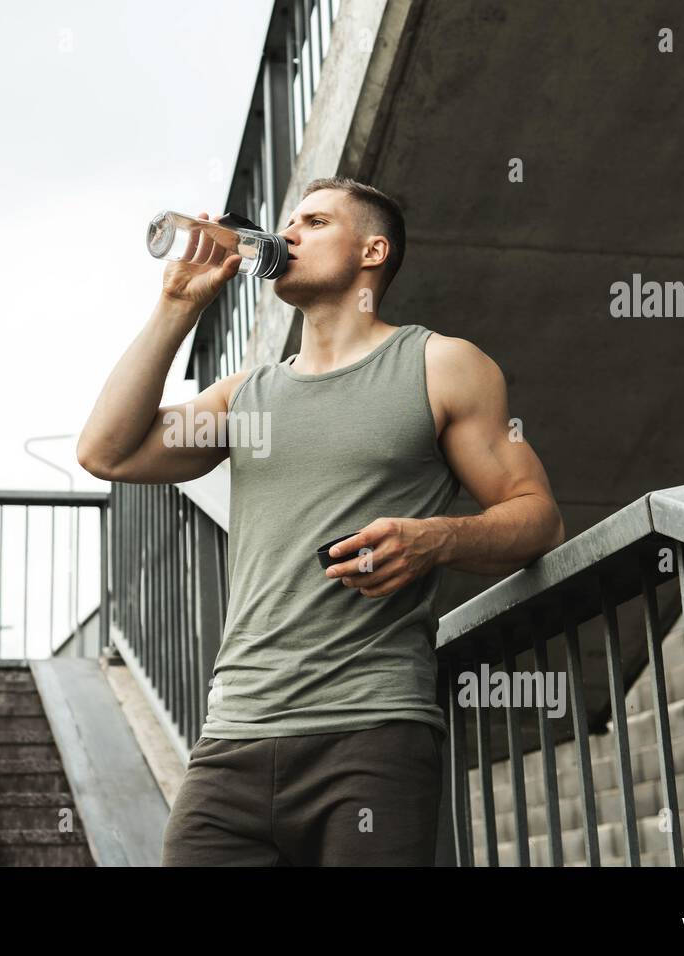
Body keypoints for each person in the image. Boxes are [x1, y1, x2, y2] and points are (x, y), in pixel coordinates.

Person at [76, 176, 565, 865]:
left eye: (315, 221)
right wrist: (175, 306)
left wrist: (436, 539)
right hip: (232, 742)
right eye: (289, 223)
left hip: (370, 738)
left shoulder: (441, 366)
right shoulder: (247, 394)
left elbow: (538, 516)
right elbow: (107, 451)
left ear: (372, 251)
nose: (290, 234)